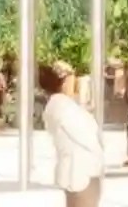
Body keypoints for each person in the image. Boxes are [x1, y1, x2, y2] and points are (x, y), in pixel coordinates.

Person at [40, 62, 104, 207]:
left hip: (77, 169)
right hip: (80, 171)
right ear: (64, 81)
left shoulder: (60, 105)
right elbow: (86, 135)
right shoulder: (63, 107)